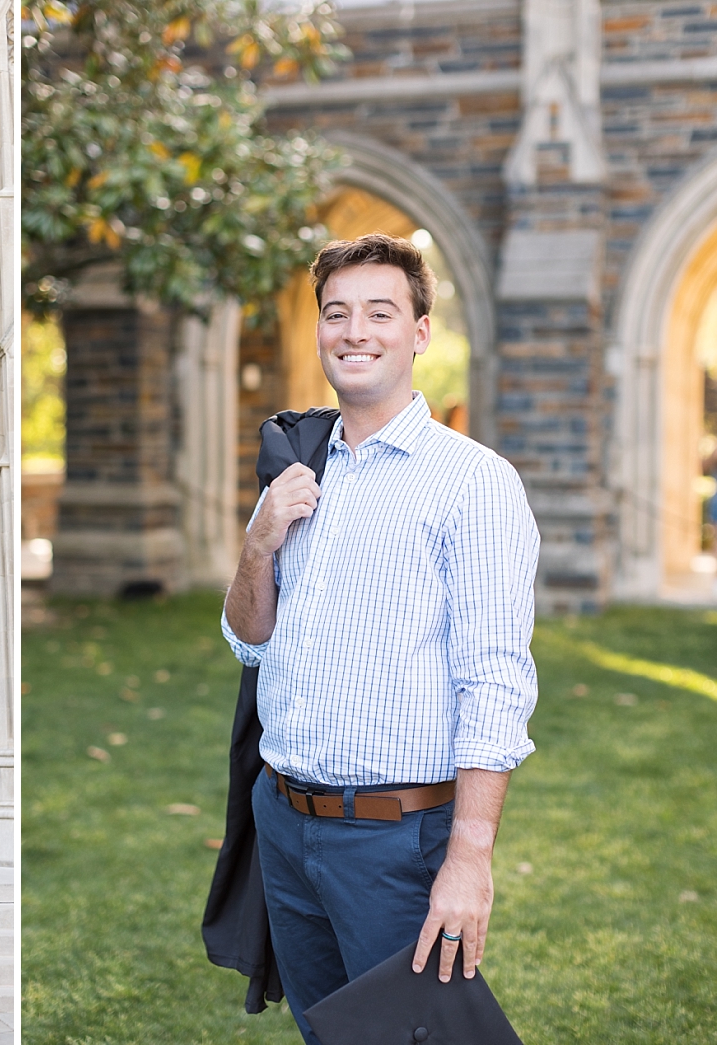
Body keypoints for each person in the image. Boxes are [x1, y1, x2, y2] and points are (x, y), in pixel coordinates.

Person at [221, 233, 539, 1045]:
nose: (354, 331)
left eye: (379, 312)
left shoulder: (473, 482)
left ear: (420, 332)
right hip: (284, 822)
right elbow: (249, 641)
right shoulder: (297, 468)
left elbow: (495, 681)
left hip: (396, 839)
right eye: (336, 313)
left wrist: (469, 857)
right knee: (330, 1033)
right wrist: (258, 543)